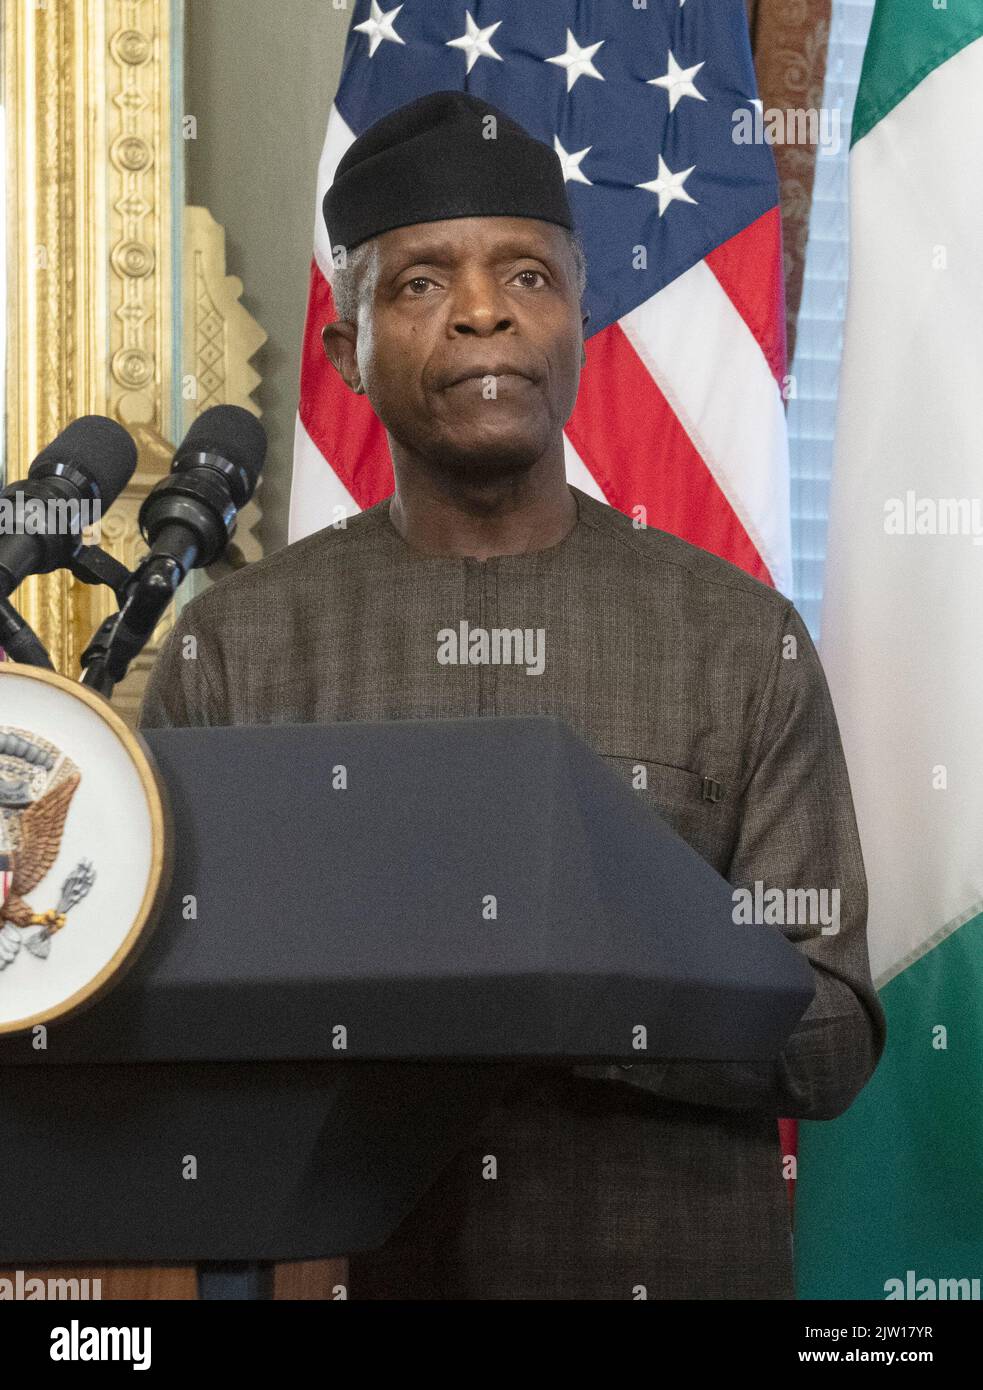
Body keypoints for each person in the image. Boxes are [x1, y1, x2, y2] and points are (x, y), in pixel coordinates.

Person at [138, 90, 886, 1299]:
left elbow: (834, 1034)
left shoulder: (740, 641)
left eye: (528, 276)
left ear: (580, 315)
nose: (484, 308)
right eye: (422, 282)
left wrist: (570, 992)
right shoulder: (234, 649)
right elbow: (158, 1010)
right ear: (347, 347)